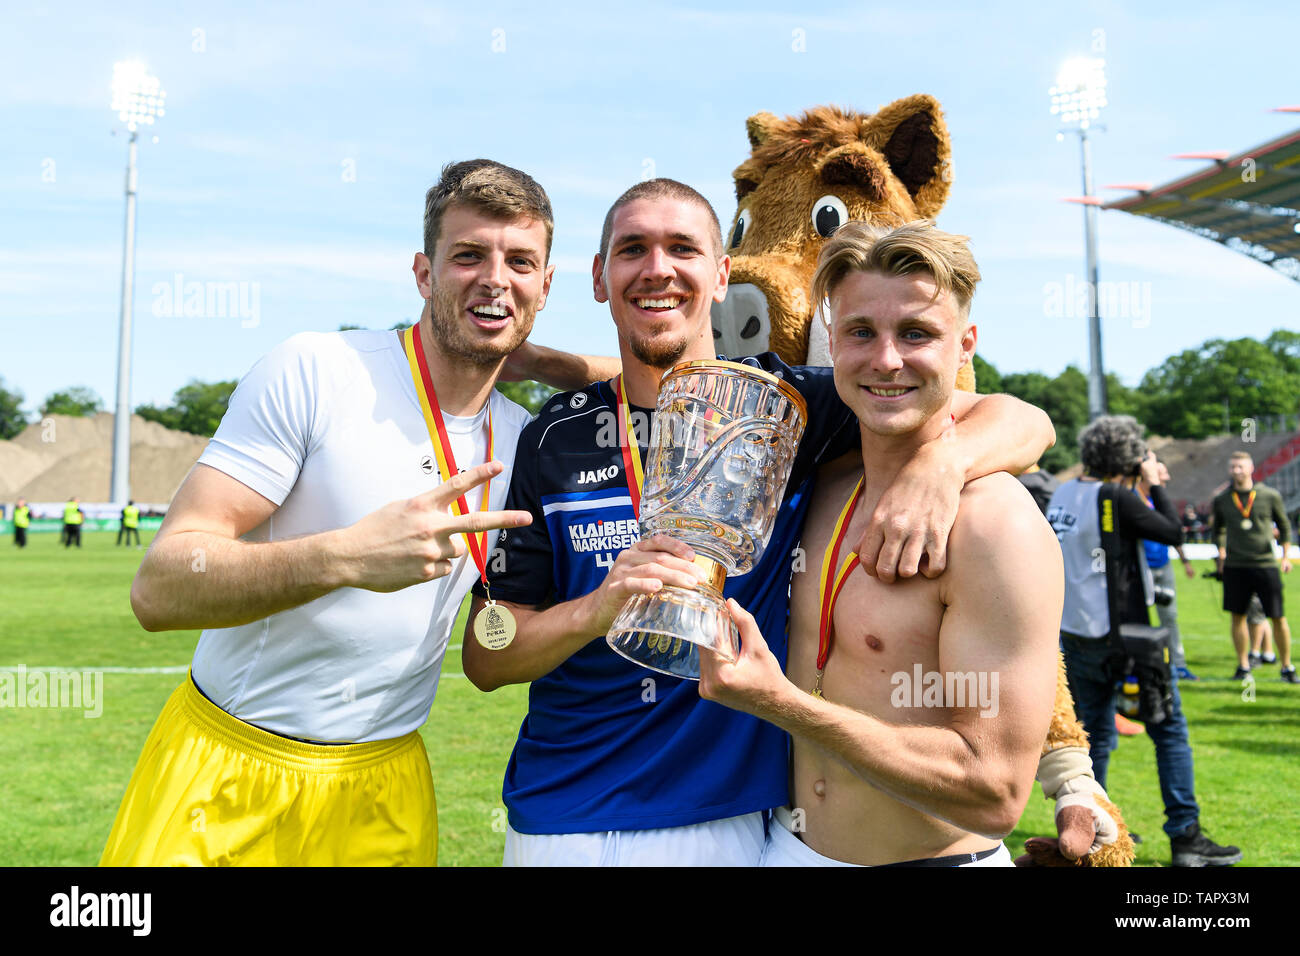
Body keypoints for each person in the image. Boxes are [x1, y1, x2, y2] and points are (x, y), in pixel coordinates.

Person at [464, 183, 1055, 866]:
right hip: (560, 818)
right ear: (601, 277)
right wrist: (596, 611)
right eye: (632, 250)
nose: (658, 268)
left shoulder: (790, 409)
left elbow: (1011, 414)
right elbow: (486, 651)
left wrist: (943, 467)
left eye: (683, 248)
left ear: (721, 275)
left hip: (737, 825)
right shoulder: (554, 437)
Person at [101, 160, 617, 866]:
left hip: (386, 787)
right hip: (230, 771)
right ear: (423, 273)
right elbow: (158, 588)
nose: (496, 278)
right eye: (467, 255)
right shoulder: (319, 370)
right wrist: (344, 557)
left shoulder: (525, 439)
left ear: (547, 286)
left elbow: (671, 373)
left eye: (520, 262)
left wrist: (542, 361)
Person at [696, 221, 1060, 866]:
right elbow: (677, 377)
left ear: (964, 344)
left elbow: (994, 791)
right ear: (831, 340)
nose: (886, 359)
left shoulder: (994, 524)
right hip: (785, 848)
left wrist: (781, 704)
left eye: (916, 333)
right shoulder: (815, 481)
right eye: (861, 332)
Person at [1049, 417, 1241, 866]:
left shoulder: (1064, 493)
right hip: (1126, 637)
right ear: (1131, 457)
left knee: (1092, 739)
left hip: (1076, 634)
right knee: (1169, 731)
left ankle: (1098, 830)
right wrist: (1153, 485)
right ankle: (1185, 835)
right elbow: (1174, 531)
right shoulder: (1114, 495)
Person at [1210, 451, 1295, 683]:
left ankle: (1287, 667)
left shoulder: (1269, 495)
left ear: (1251, 468)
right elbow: (1217, 530)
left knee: (1277, 616)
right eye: (1233, 467)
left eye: (1240, 466)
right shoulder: (1223, 499)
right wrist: (1221, 552)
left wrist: (1285, 557)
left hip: (1265, 564)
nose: (1236, 471)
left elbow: (1285, 527)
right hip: (1236, 566)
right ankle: (1243, 665)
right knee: (1237, 617)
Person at [1135, 461, 1198, 680]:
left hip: (1162, 566)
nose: (1167, 477)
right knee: (1138, 620)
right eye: (1163, 472)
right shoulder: (1133, 499)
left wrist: (1185, 561)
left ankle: (1177, 664)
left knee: (1169, 618)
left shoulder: (1160, 501)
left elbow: (1174, 533)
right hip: (1140, 570)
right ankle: (1141, 669)